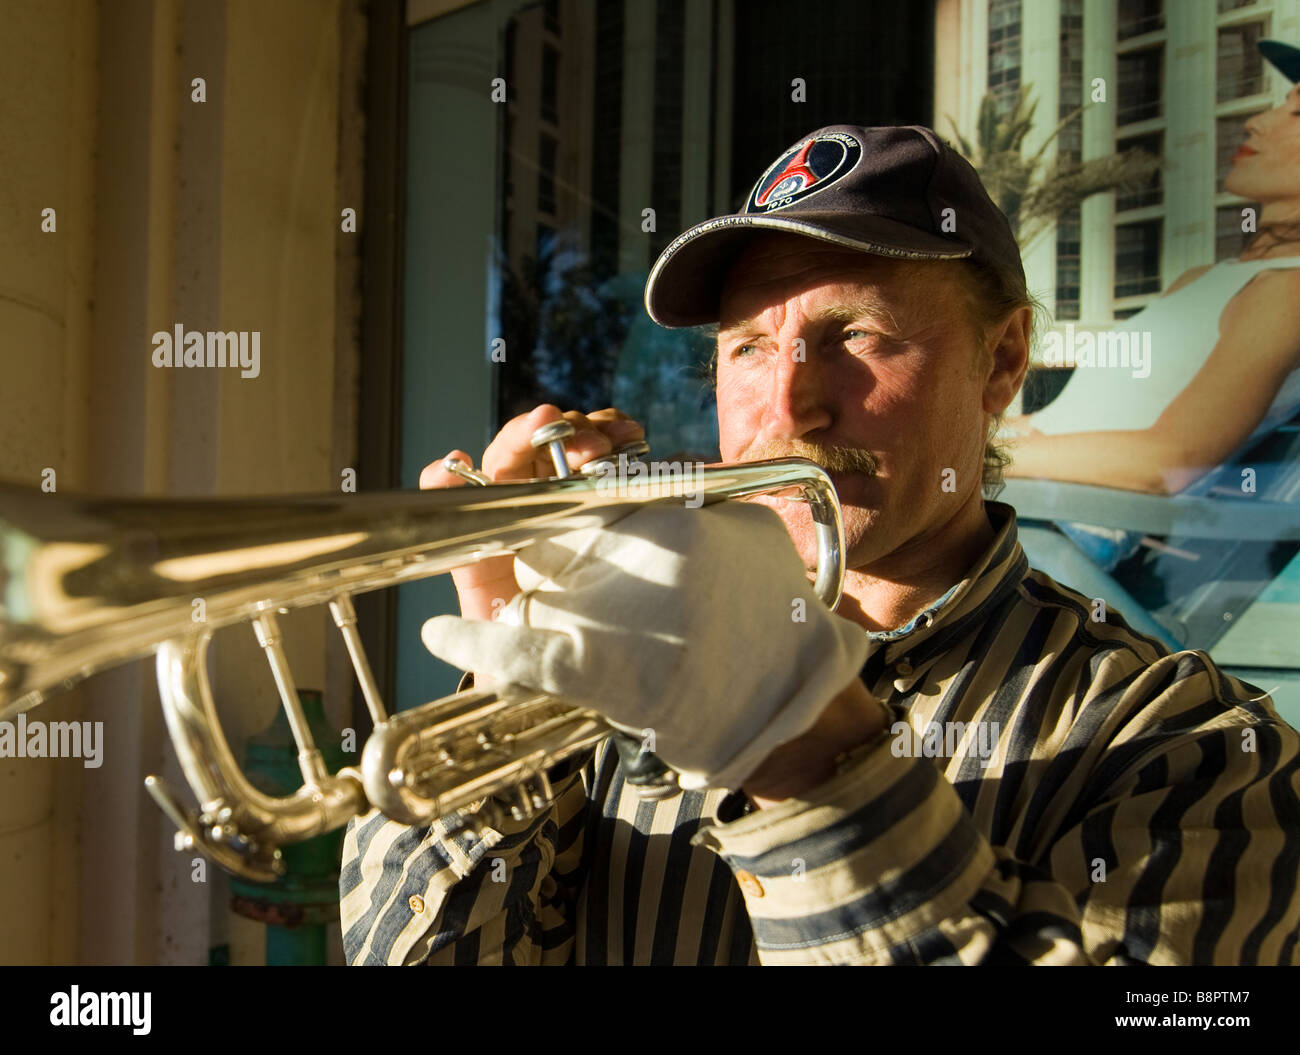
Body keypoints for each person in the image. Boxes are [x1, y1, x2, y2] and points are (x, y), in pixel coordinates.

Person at [340, 123, 1300, 965]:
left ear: (1002, 361)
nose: (789, 406)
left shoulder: (1193, 744)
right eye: (749, 347)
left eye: (857, 334)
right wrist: (516, 675)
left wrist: (797, 739)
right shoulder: (609, 653)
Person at [1002, 38, 1300, 519]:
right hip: (1032, 504)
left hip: (1065, 525)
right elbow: (1063, 424)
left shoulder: (1287, 292)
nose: (1256, 121)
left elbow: (1169, 461)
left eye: (1297, 114)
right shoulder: (1208, 278)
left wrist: (973, 458)